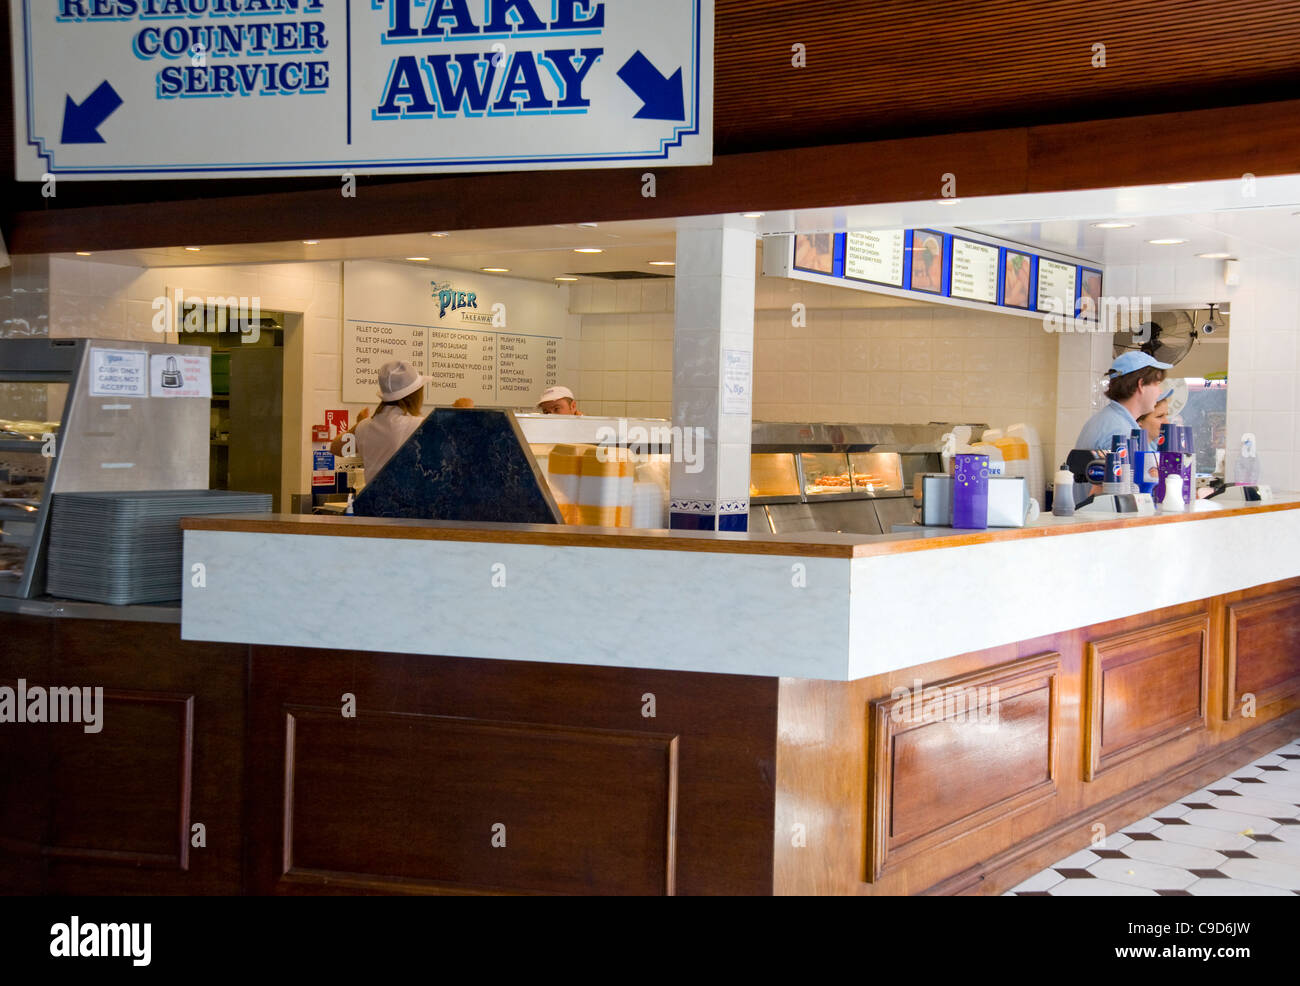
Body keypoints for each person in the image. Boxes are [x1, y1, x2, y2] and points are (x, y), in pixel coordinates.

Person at [1071, 349, 1171, 501]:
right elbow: (1111, 494)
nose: (1160, 391)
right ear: (1141, 385)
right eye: (1157, 384)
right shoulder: (1120, 431)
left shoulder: (1109, 420)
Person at [330, 360, 430, 477]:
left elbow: (335, 448)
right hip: (409, 495)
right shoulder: (421, 426)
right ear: (416, 394)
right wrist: (457, 413)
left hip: (374, 495)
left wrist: (359, 427)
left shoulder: (365, 427)